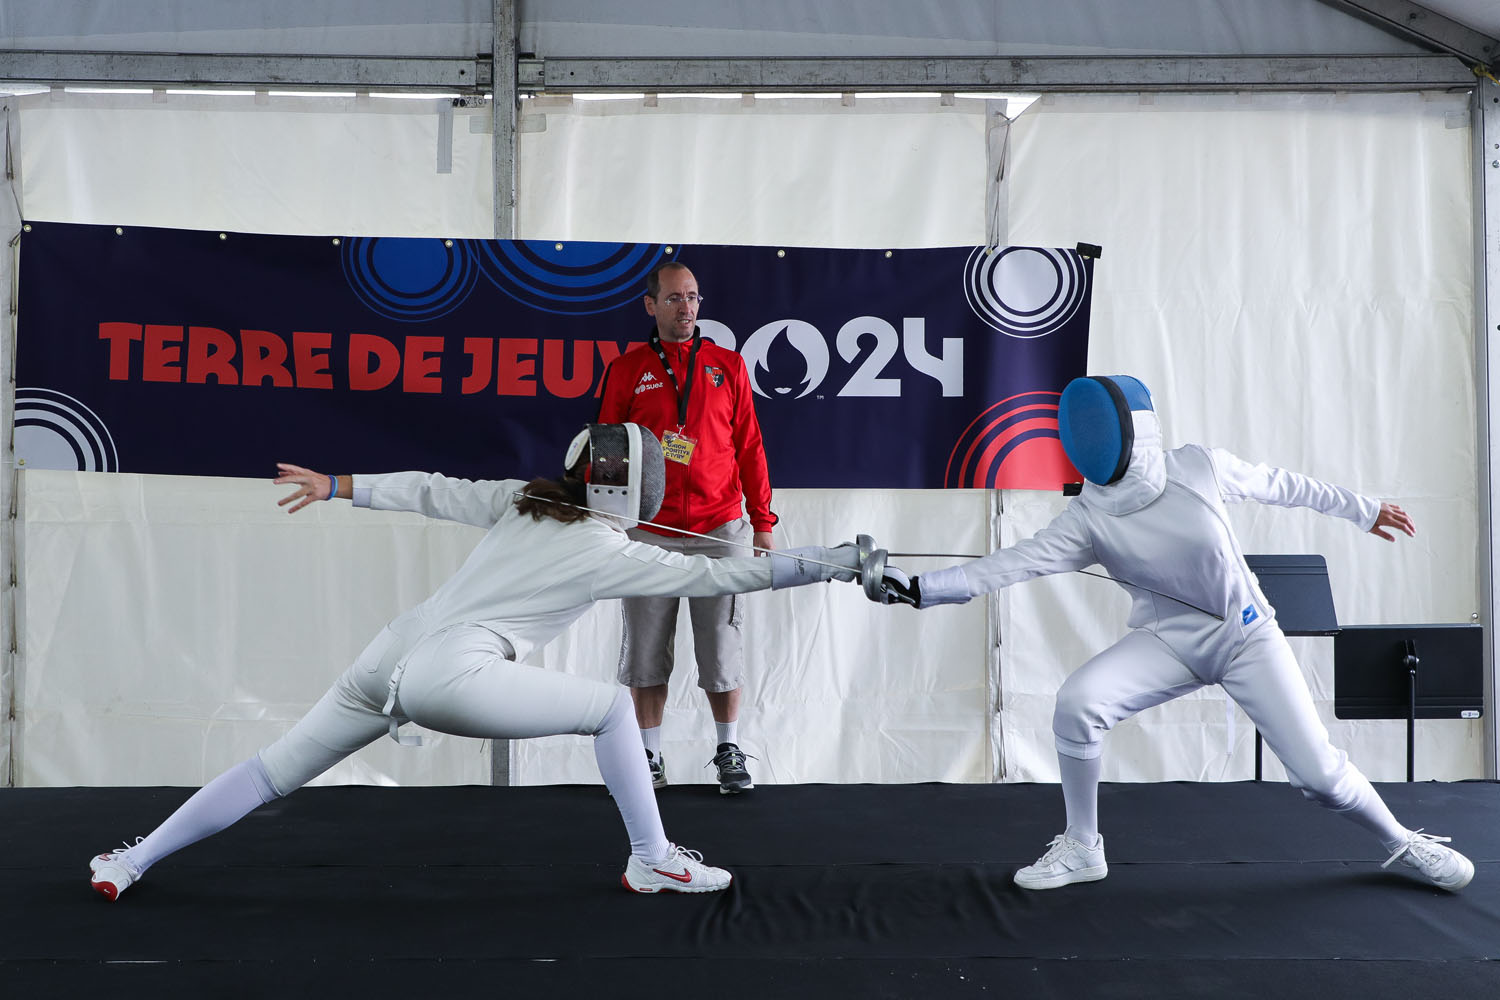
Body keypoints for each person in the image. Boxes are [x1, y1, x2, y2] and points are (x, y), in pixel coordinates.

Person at [88, 423, 863, 902]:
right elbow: (718, 573)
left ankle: (132, 860)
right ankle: (653, 860)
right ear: (632, 490)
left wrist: (336, 487)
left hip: (387, 654)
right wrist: (825, 563)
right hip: (448, 676)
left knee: (268, 771)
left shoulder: (524, 500)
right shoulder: (605, 549)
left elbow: (430, 490)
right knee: (612, 708)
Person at [873, 375, 1474, 892]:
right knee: (1078, 704)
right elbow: (1011, 564)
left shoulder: (1198, 467)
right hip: (1169, 639)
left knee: (1319, 775)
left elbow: (1284, 484)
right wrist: (924, 589)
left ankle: (1402, 841)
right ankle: (1084, 847)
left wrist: (1361, 509)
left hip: (1246, 635)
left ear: (1133, 431)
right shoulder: (1088, 518)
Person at [595, 261, 777, 794]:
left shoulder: (728, 365)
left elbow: (750, 447)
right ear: (651, 305)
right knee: (647, 650)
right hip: (648, 532)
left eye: (693, 297)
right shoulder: (628, 370)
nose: (687, 308)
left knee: (722, 646)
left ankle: (728, 749)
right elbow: (609, 448)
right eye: (674, 298)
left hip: (719, 529)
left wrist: (762, 522)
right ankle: (649, 758)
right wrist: (608, 522)